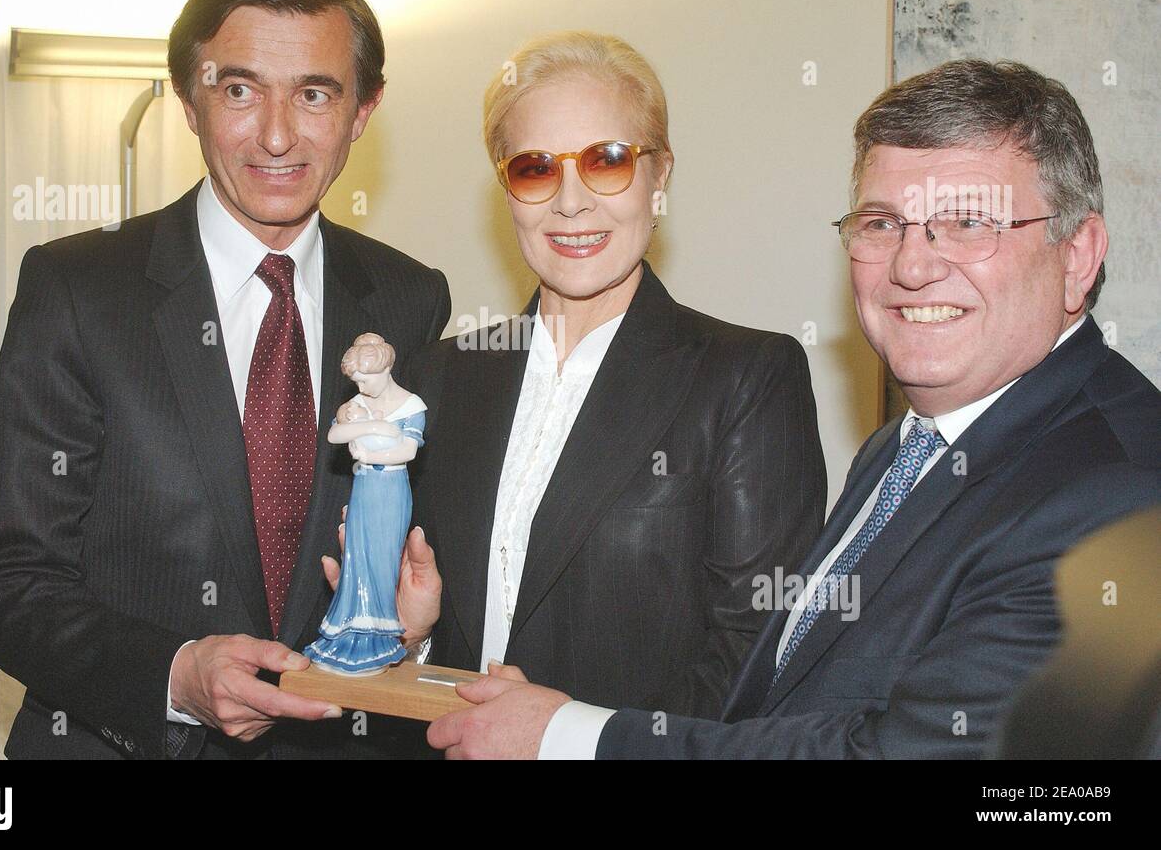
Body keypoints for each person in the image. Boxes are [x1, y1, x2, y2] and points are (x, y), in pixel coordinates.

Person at [427, 59, 1161, 759]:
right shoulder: (906, 447)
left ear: (1078, 254)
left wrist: (568, 738)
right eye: (881, 222)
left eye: (968, 221)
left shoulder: (1117, 490)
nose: (912, 264)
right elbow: (786, 696)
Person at [0, 0, 448, 759]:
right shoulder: (77, 289)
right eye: (239, 89)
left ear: (362, 110)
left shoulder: (410, 296)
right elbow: (11, 583)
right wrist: (176, 673)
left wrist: (413, 636)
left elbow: (420, 548)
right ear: (191, 99)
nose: (276, 134)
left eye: (315, 93)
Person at [400, 31, 827, 727]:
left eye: (607, 161)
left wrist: (565, 742)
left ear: (659, 178)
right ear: (506, 187)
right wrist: (410, 643)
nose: (570, 202)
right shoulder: (440, 375)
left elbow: (757, 656)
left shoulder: (746, 379)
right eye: (536, 168)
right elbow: (437, 644)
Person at [305, 334, 427, 674]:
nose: (360, 385)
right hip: (363, 486)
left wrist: (369, 449)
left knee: (382, 561)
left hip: (390, 488)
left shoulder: (411, 405)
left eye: (364, 378)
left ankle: (378, 638)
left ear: (385, 367)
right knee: (356, 558)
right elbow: (333, 435)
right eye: (356, 380)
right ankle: (348, 633)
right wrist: (373, 425)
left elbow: (408, 450)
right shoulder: (357, 405)